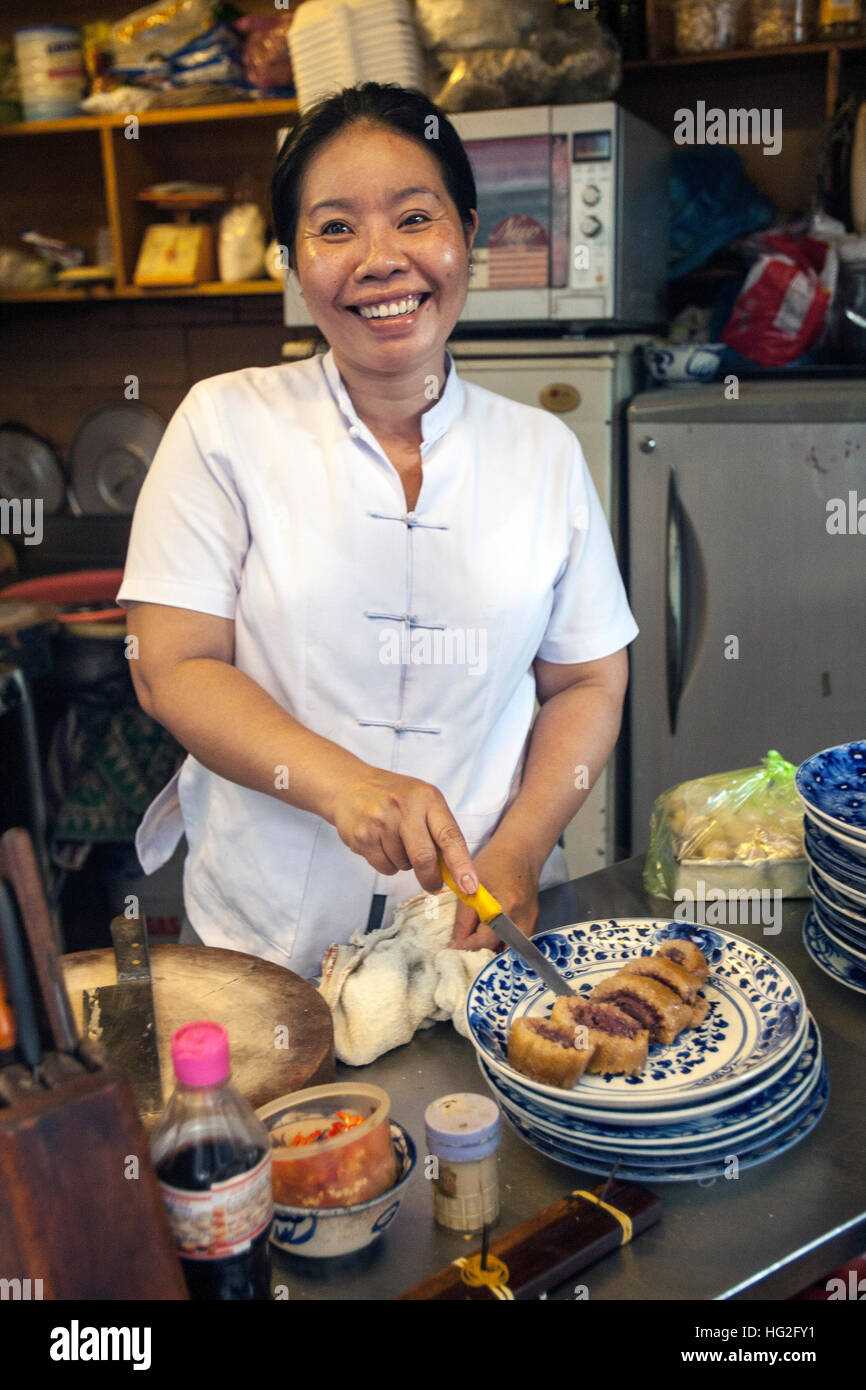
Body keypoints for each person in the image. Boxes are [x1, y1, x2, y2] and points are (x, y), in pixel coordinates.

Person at [117, 82, 638, 980]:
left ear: (466, 235)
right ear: (292, 258)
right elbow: (173, 666)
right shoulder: (222, 425)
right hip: (269, 938)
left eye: (414, 216)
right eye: (334, 228)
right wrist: (342, 786)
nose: (381, 259)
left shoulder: (543, 452)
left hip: (483, 926)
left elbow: (588, 680)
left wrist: (519, 849)